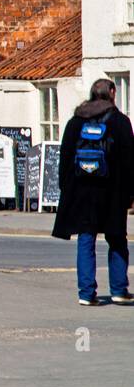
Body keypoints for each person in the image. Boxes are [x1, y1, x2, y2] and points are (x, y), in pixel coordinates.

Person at [53, 78, 134, 306]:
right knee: (116, 237)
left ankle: (86, 294)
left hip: (81, 191)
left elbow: (65, 158)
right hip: (112, 191)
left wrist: (65, 189)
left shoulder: (75, 122)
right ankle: (119, 290)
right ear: (111, 92)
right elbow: (129, 161)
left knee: (86, 239)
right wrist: (130, 193)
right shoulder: (120, 122)